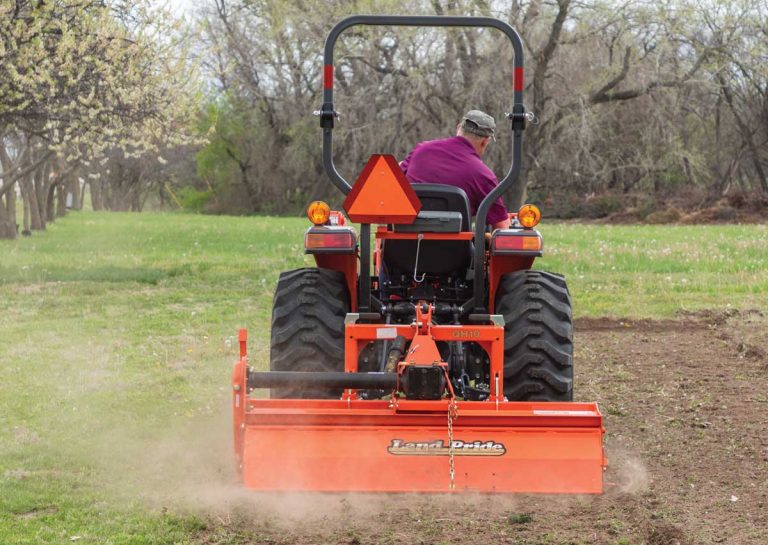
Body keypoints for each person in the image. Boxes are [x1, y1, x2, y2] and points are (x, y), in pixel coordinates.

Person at [399, 110, 511, 229]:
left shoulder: (421, 149)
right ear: (485, 142)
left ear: (458, 128)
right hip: (456, 247)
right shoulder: (483, 175)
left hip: (402, 241)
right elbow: (502, 226)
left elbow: (395, 177)